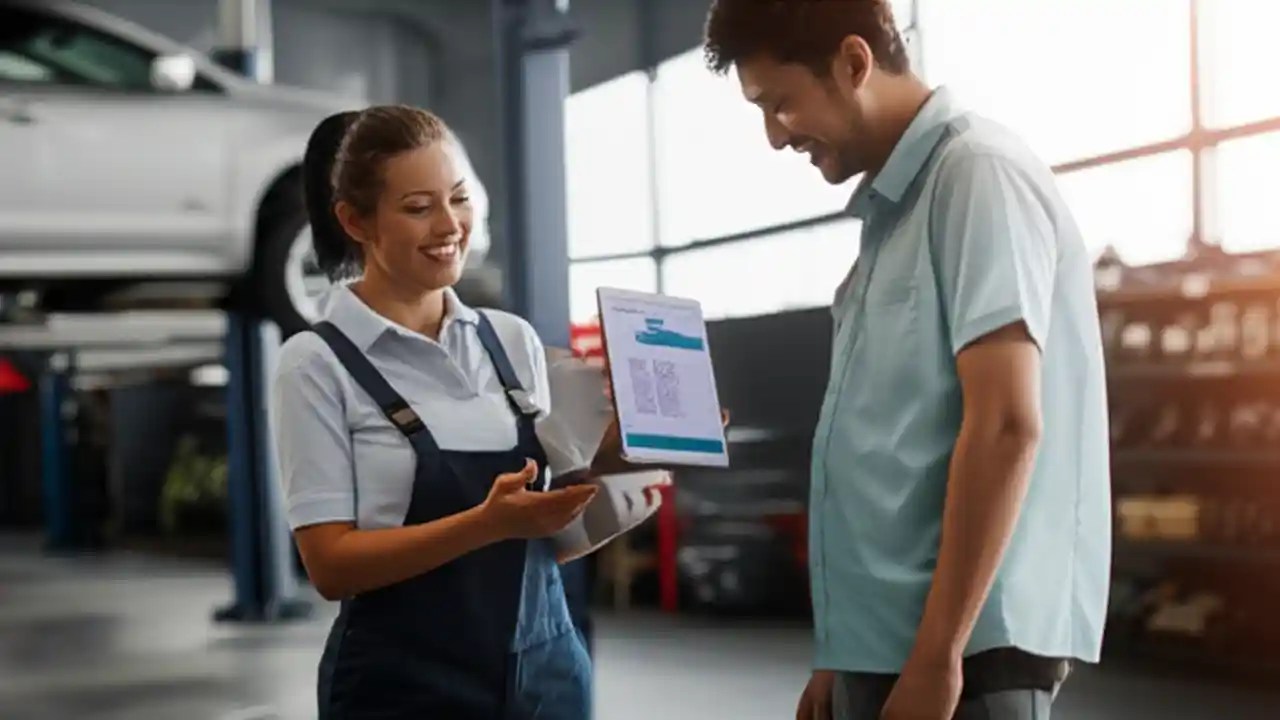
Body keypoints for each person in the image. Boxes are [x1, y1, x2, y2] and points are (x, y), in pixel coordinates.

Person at [702, 2, 1111, 719]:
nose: (775, 135)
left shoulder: (977, 176)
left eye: (780, 103)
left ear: (853, 63)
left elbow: (1006, 424)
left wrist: (936, 657)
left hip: (966, 658)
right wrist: (844, 654)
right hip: (891, 648)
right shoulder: (894, 213)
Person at [272, 105, 599, 719]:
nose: (450, 225)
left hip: (545, 682)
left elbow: (546, 544)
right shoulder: (316, 363)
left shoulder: (512, 341)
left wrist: (633, 462)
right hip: (404, 691)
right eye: (419, 208)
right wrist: (486, 523)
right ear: (356, 221)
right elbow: (331, 566)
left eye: (459, 199)